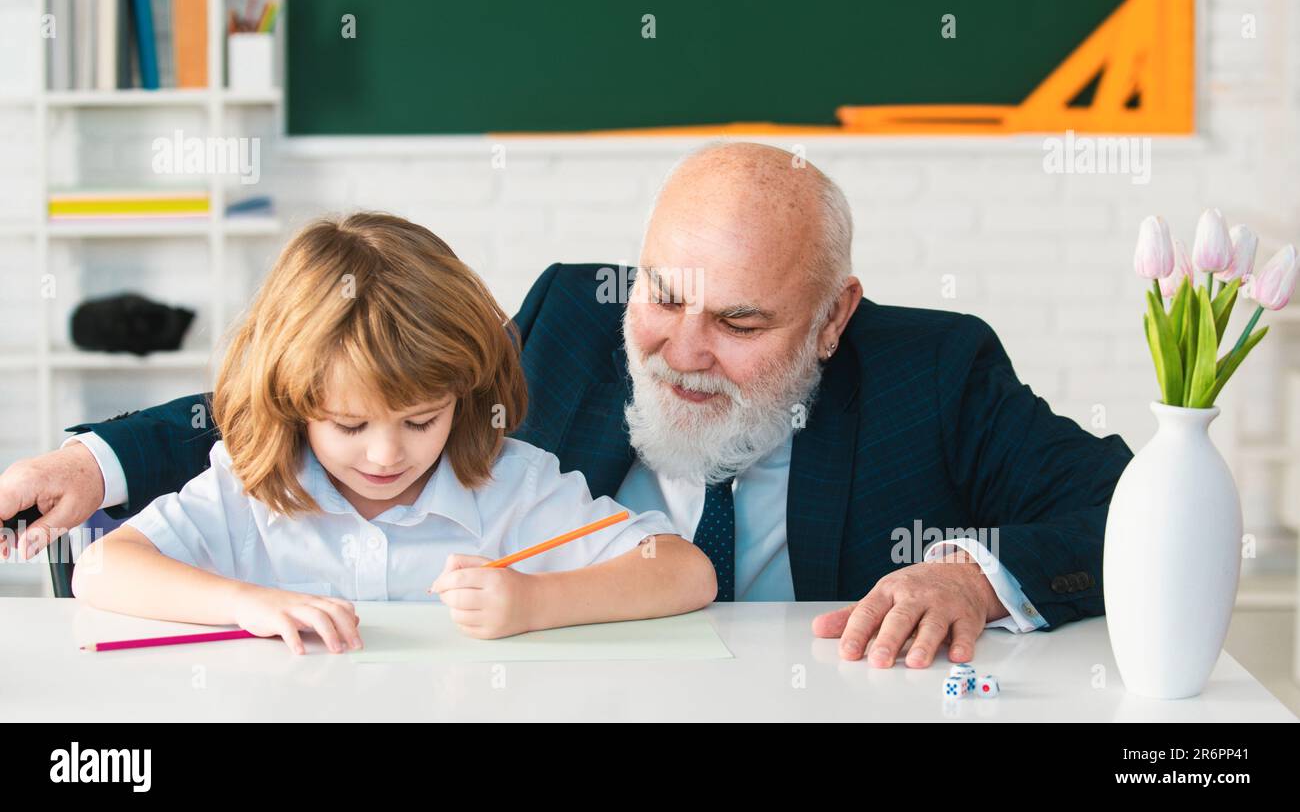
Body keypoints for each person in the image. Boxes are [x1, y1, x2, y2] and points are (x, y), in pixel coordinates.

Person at [3, 143, 1131, 668]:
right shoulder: (567, 319)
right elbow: (347, 385)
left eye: (741, 323)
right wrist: (98, 464)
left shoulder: (936, 372)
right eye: (663, 296)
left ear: (832, 317)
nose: (683, 350)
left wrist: (972, 578)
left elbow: (1131, 513)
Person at [70, 213, 716, 653]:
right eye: (350, 424)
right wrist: (246, 603)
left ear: (465, 397)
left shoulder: (512, 484)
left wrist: (537, 601)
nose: (385, 455)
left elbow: (686, 573)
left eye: (421, 420)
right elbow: (100, 568)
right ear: (292, 401)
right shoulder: (253, 486)